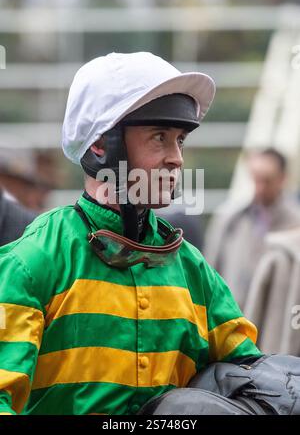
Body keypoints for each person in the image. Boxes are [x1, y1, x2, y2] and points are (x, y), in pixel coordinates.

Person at [0, 52, 262, 416]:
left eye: (180, 140)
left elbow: (250, 374)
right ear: (101, 145)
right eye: (160, 138)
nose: (177, 159)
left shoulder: (192, 267)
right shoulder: (34, 260)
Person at [205, 148, 300, 308]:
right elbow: (210, 268)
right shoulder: (230, 218)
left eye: (267, 181)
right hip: (231, 314)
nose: (260, 188)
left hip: (275, 315)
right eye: (257, 180)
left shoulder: (295, 222)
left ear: (282, 179)